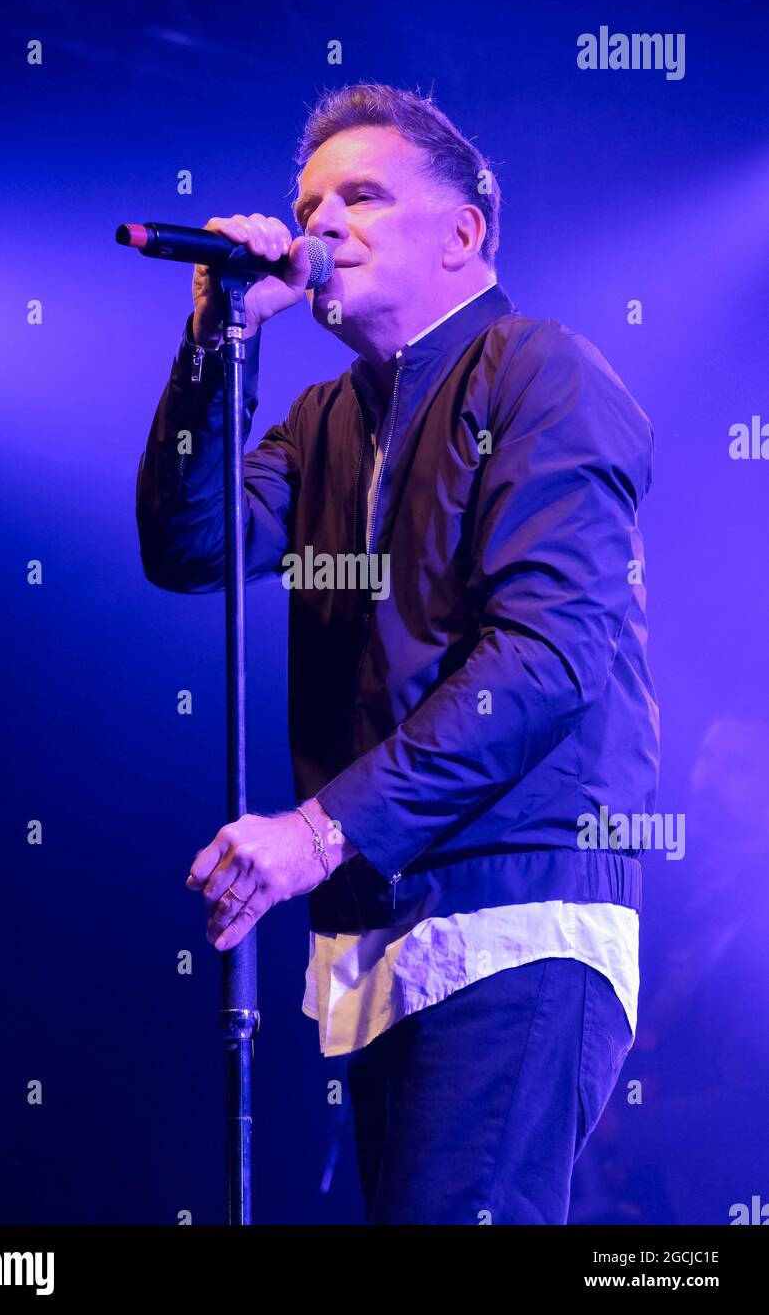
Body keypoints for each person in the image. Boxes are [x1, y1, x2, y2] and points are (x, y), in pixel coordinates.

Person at [136, 82, 660, 1225]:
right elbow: (187, 541)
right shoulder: (322, 419)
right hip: (376, 935)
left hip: (514, 911)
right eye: (309, 202)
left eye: (361, 196)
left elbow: (544, 659)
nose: (322, 224)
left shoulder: (540, 372)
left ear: (462, 231)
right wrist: (212, 338)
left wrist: (317, 831)